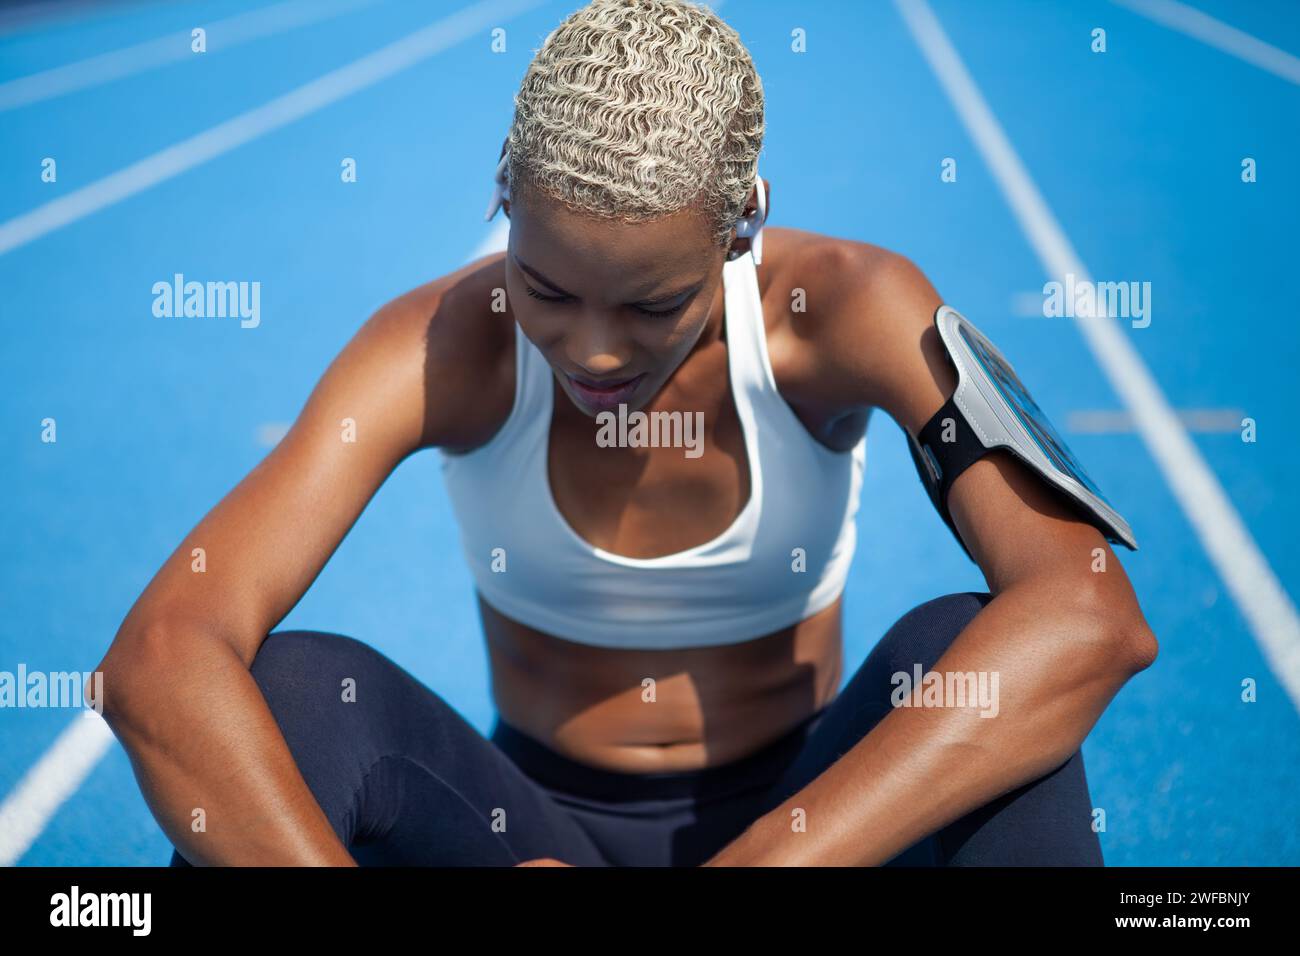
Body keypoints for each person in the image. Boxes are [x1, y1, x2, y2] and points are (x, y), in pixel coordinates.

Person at [93, 0, 1157, 867]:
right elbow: (161, 652)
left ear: (743, 220)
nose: (593, 352)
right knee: (295, 690)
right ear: (501, 195)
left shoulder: (846, 307)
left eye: (652, 306)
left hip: (812, 810)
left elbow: (1087, 612)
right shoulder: (437, 346)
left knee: (965, 653)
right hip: (523, 833)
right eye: (547, 288)